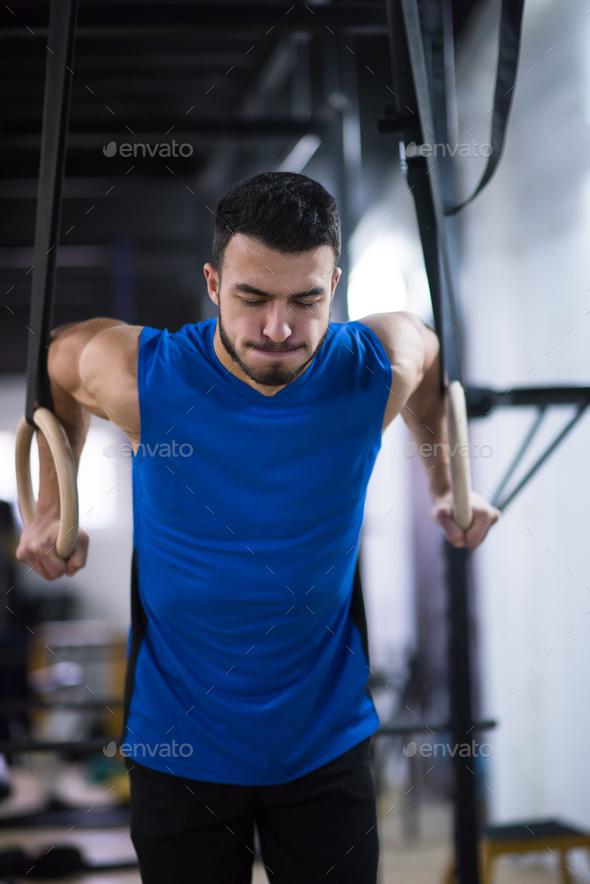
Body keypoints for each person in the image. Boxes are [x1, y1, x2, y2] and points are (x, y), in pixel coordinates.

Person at [16, 172, 499, 883]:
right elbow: (56, 364)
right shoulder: (146, 378)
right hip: (179, 751)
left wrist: (447, 485)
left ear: (333, 286)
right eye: (252, 298)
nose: (278, 328)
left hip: (324, 750)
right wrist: (55, 508)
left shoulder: (370, 372)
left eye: (305, 301)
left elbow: (428, 369)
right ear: (213, 283)